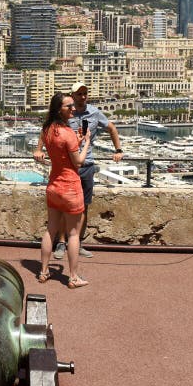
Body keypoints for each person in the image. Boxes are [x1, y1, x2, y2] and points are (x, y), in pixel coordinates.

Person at [34, 81, 124, 259]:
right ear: (72, 96)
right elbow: (47, 130)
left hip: (86, 166)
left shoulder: (94, 113)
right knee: (62, 209)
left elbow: (112, 128)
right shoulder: (67, 113)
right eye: (79, 94)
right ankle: (61, 243)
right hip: (67, 169)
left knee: (83, 208)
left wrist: (118, 149)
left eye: (85, 94)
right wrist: (39, 149)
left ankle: (76, 242)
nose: (83, 97)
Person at [37, 93, 91, 289]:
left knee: (50, 230)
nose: (73, 109)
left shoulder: (48, 129)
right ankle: (73, 277)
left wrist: (75, 140)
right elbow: (78, 162)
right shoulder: (67, 133)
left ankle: (43, 271)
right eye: (69, 106)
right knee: (73, 234)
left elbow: (57, 150)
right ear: (59, 109)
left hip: (53, 186)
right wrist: (85, 143)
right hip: (70, 187)